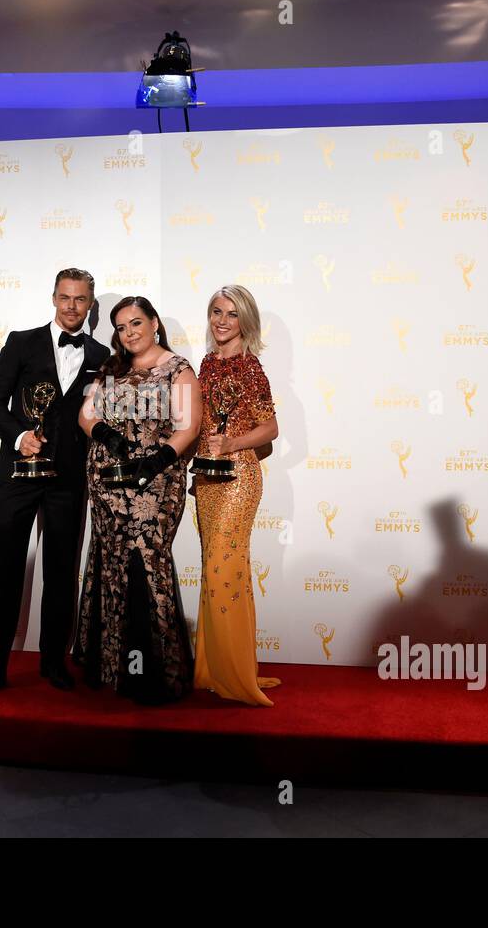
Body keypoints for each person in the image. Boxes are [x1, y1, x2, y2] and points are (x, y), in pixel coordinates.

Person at [0, 268, 110, 700]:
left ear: (90, 305)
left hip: (68, 479)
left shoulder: (103, 355)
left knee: (61, 573)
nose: (72, 306)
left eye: (81, 299)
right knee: (7, 569)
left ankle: (53, 662)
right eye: (65, 298)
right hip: (17, 476)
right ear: (53, 298)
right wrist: (18, 436)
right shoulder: (20, 342)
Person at [74, 296, 202, 704]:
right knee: (110, 563)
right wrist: (104, 434)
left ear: (155, 323)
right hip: (107, 485)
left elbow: (189, 426)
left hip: (154, 484)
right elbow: (85, 414)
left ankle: (152, 675)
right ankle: (112, 668)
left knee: (147, 561)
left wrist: (158, 459)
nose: (129, 333)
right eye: (121, 328)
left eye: (136, 324)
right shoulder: (113, 369)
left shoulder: (177, 369)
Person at [191, 285, 281, 706]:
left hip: (239, 480)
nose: (221, 321)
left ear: (245, 320)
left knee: (222, 572)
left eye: (230, 314)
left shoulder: (251, 368)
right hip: (207, 480)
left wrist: (232, 444)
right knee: (218, 572)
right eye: (215, 312)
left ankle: (236, 676)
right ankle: (218, 669)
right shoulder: (207, 364)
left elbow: (270, 430)